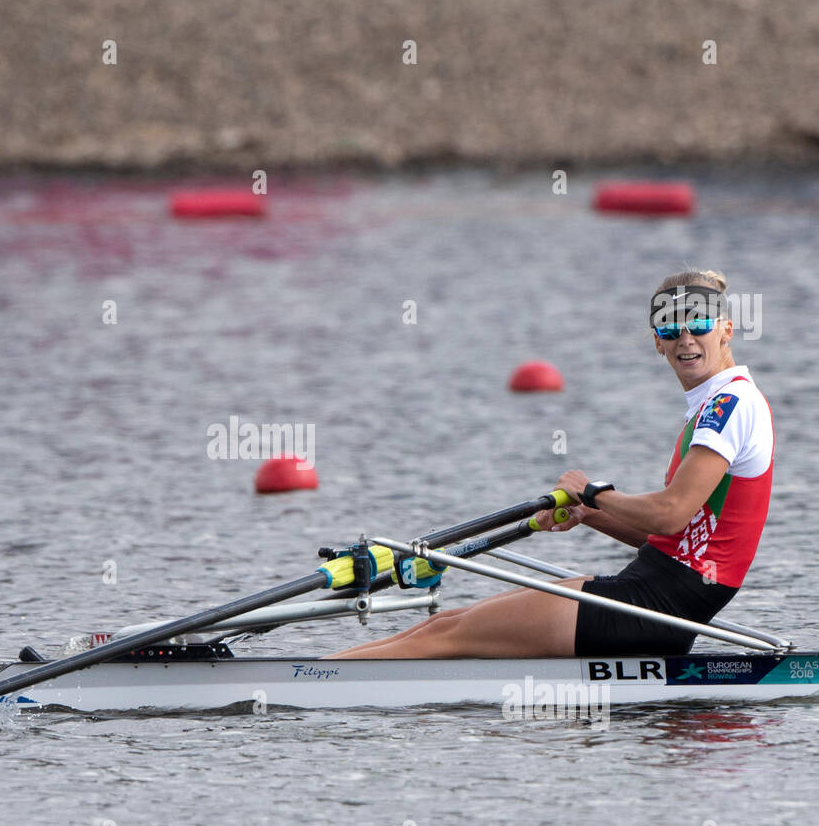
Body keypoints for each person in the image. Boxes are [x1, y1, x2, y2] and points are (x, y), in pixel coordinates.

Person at [326, 270, 773, 660]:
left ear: (726, 330)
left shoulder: (728, 404)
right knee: (444, 624)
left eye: (699, 323)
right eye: (671, 327)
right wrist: (589, 515)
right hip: (656, 598)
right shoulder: (717, 404)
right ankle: (321, 672)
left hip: (658, 605)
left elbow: (669, 514)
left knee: (446, 632)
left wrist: (595, 492)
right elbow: (675, 537)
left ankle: (312, 680)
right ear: (657, 341)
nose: (686, 338)